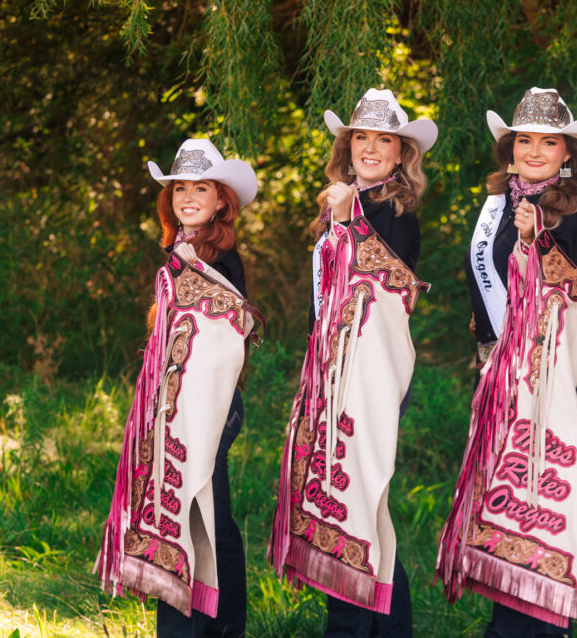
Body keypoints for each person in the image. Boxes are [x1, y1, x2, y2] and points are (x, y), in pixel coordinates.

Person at [269, 88, 437, 638]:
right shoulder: (345, 204)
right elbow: (327, 299)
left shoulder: (395, 209)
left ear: (399, 155)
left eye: (383, 139)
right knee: (366, 510)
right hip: (335, 373)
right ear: (347, 147)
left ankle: (347, 627)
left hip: (371, 377)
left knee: (350, 505)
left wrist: (347, 220)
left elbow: (381, 283)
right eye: (360, 136)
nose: (370, 147)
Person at [436, 87, 577, 638]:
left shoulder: (570, 214)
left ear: (567, 156)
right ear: (510, 150)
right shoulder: (495, 206)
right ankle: (508, 619)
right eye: (524, 139)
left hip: (544, 382)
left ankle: (540, 625)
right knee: (506, 503)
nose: (534, 150)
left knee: (540, 506)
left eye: (548, 142)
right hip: (499, 378)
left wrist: (538, 242)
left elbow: (564, 296)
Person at [95, 137, 261, 638]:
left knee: (187, 510)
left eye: (201, 188)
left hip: (206, 406)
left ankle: (191, 626)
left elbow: (229, 338)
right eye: (180, 188)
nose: (189, 197)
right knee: (211, 515)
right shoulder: (180, 252)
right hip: (183, 404)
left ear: (220, 200)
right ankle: (220, 622)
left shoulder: (219, 256)